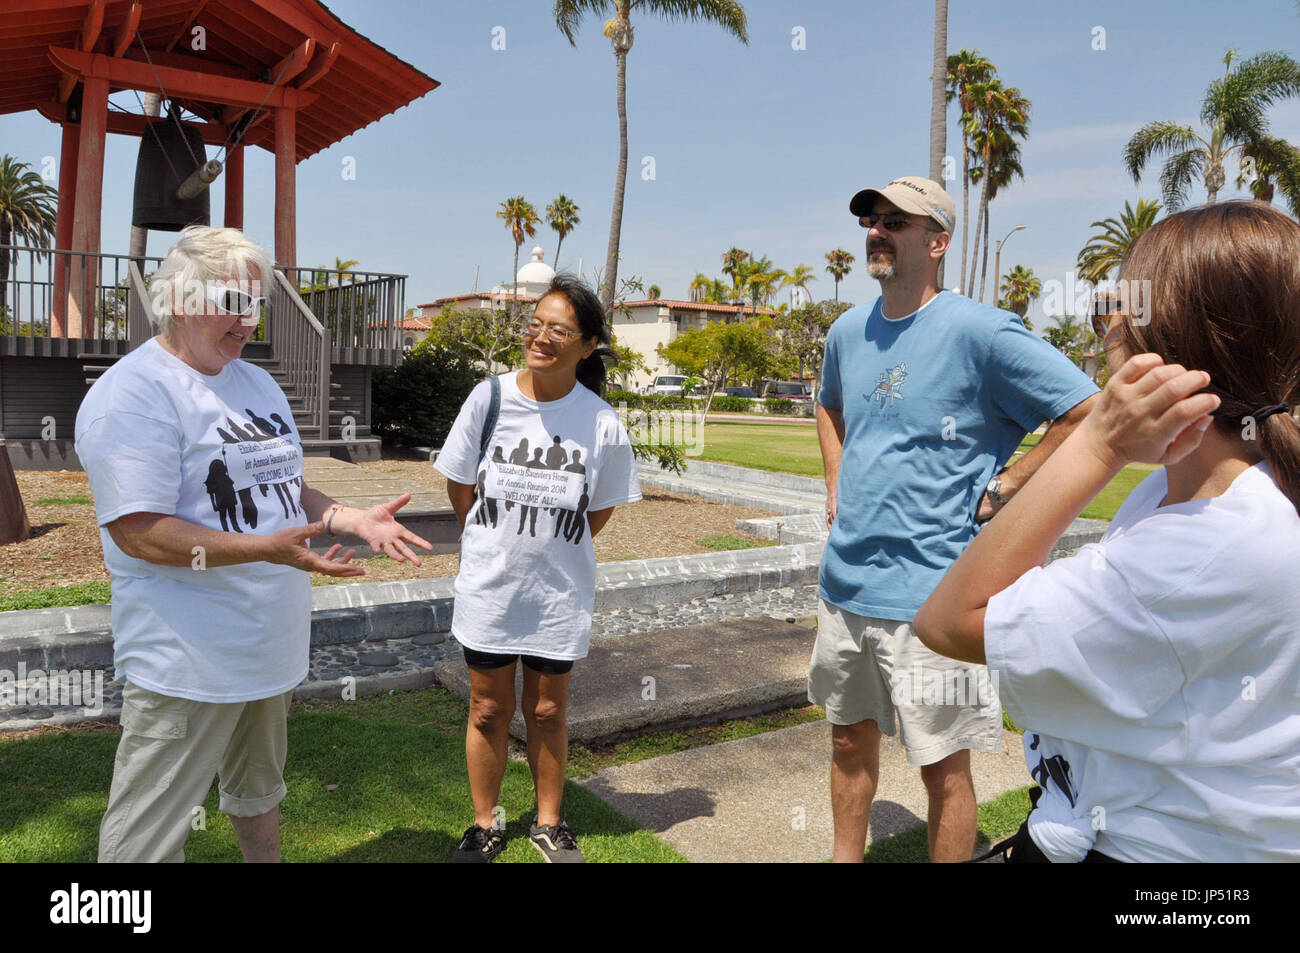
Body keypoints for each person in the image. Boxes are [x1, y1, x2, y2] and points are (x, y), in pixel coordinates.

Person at [914, 200, 1300, 862]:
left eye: (1110, 312)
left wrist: (1096, 442)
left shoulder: (1210, 543)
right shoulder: (1214, 492)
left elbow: (948, 620)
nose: (1100, 338)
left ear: (1171, 349)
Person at [75, 225, 432, 863]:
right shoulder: (132, 395)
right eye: (234, 303)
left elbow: (285, 486)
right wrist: (264, 550)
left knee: (257, 788)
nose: (248, 320)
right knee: (146, 833)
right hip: (185, 659)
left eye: (256, 303)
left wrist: (346, 519)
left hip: (267, 644)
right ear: (181, 299)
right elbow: (140, 534)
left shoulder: (256, 382)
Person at [811, 176, 1100, 862]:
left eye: (895, 222)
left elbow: (1086, 411)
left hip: (936, 595)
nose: (877, 231)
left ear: (937, 242)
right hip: (845, 587)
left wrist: (1006, 484)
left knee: (943, 766)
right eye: (872, 220)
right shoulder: (847, 330)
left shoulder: (980, 330)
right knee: (848, 741)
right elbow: (828, 405)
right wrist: (834, 480)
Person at [434, 274, 641, 863]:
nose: (541, 337)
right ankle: (485, 824)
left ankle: (548, 823)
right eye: (535, 324)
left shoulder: (602, 422)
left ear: (587, 344)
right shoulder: (489, 397)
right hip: (491, 588)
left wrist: (550, 546)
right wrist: (495, 539)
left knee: (547, 711)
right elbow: (459, 485)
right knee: (488, 708)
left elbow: (596, 512)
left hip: (558, 592)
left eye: (559, 329)